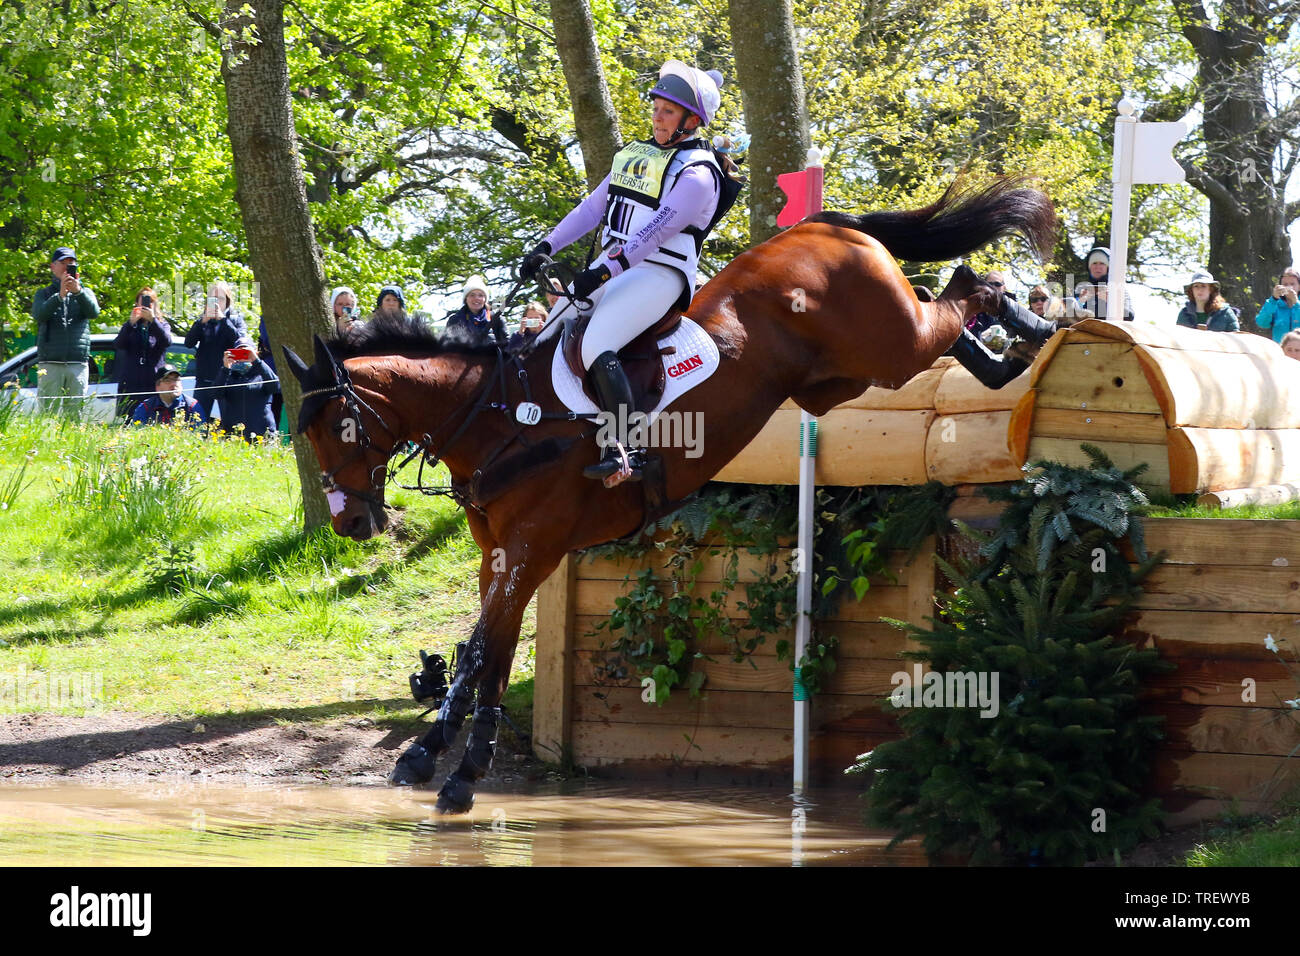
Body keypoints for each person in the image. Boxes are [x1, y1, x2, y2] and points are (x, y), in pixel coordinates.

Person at [519, 59, 741, 484]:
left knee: (597, 342)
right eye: (656, 106)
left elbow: (654, 235)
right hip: (615, 268)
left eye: (668, 111)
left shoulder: (699, 174)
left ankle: (626, 448)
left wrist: (600, 273)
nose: (657, 115)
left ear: (692, 120)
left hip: (660, 274)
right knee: (544, 335)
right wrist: (547, 244)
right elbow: (592, 208)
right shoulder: (635, 156)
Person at [32, 246, 100, 415]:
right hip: (50, 363)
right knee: (48, 414)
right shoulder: (44, 293)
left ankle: (74, 442)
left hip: (77, 363)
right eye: (62, 263)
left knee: (75, 414)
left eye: (71, 263)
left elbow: (94, 313)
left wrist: (78, 292)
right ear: (52, 267)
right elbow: (39, 315)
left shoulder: (86, 292)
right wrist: (60, 296)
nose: (66, 267)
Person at [184, 281, 248, 419]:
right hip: (205, 379)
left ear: (227, 301)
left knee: (229, 421)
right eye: (213, 298)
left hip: (227, 378)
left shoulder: (235, 319)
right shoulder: (203, 320)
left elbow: (238, 340)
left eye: (220, 298)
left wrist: (223, 319)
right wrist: (201, 322)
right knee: (197, 419)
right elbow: (188, 343)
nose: (217, 302)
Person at [113, 287, 173, 417]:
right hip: (132, 381)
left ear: (155, 305)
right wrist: (130, 324)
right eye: (143, 302)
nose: (146, 306)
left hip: (153, 380)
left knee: (153, 417)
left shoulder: (162, 324)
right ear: (137, 305)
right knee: (130, 418)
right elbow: (118, 344)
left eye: (150, 302)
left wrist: (153, 321)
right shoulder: (131, 326)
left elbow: (167, 341)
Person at [211, 335, 279, 442]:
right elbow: (216, 394)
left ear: (255, 353)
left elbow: (276, 387)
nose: (243, 357)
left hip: (262, 435)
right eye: (238, 353)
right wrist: (225, 368)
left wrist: (257, 362)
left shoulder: (262, 373)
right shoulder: (227, 375)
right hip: (234, 436)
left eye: (246, 353)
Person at [128, 364, 206, 427]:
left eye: (176, 380)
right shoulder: (145, 407)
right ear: (157, 387)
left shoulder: (192, 406)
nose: (173, 384)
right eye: (168, 381)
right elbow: (137, 433)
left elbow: (199, 435)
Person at [1074, 246, 1134, 321]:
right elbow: (1064, 319)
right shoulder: (1080, 290)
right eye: (1094, 263)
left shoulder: (1118, 290)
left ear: (1109, 267)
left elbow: (1130, 316)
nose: (1097, 267)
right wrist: (1079, 302)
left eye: (1102, 263)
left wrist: (1111, 302)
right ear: (1089, 267)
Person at [445, 275, 508, 346]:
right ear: (466, 298)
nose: (476, 298)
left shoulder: (497, 319)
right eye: (472, 295)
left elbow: (507, 347)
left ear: (485, 299)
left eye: (481, 295)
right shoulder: (455, 320)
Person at [1256, 267, 1300, 344]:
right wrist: (1273, 299)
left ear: (1299, 286)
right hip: (1280, 350)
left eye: (1292, 284)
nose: (1289, 287)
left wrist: (1296, 304)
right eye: (1285, 284)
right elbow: (1262, 323)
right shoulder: (1274, 304)